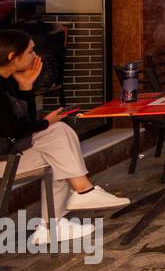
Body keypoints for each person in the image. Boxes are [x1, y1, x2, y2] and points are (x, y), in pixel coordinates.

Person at [0, 30, 128, 245]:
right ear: (13, 56)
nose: (35, 55)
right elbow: (12, 129)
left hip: (10, 154)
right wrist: (47, 122)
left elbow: (24, 120)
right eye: (31, 51)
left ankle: (56, 222)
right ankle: (78, 197)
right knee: (57, 139)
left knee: (60, 148)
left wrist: (26, 86)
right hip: (4, 160)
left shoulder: (9, 80)